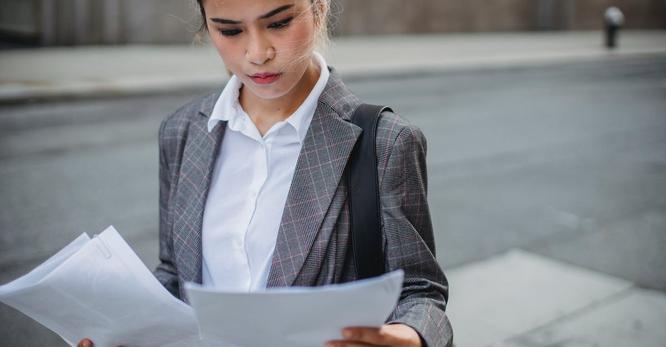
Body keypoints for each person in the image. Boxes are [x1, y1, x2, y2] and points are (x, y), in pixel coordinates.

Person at [78, 0, 453, 346]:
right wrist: (125, 329)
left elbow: (421, 290)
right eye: (230, 31)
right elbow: (176, 273)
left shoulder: (386, 141)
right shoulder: (182, 131)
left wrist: (409, 337)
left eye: (279, 23)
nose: (258, 54)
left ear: (318, 10)